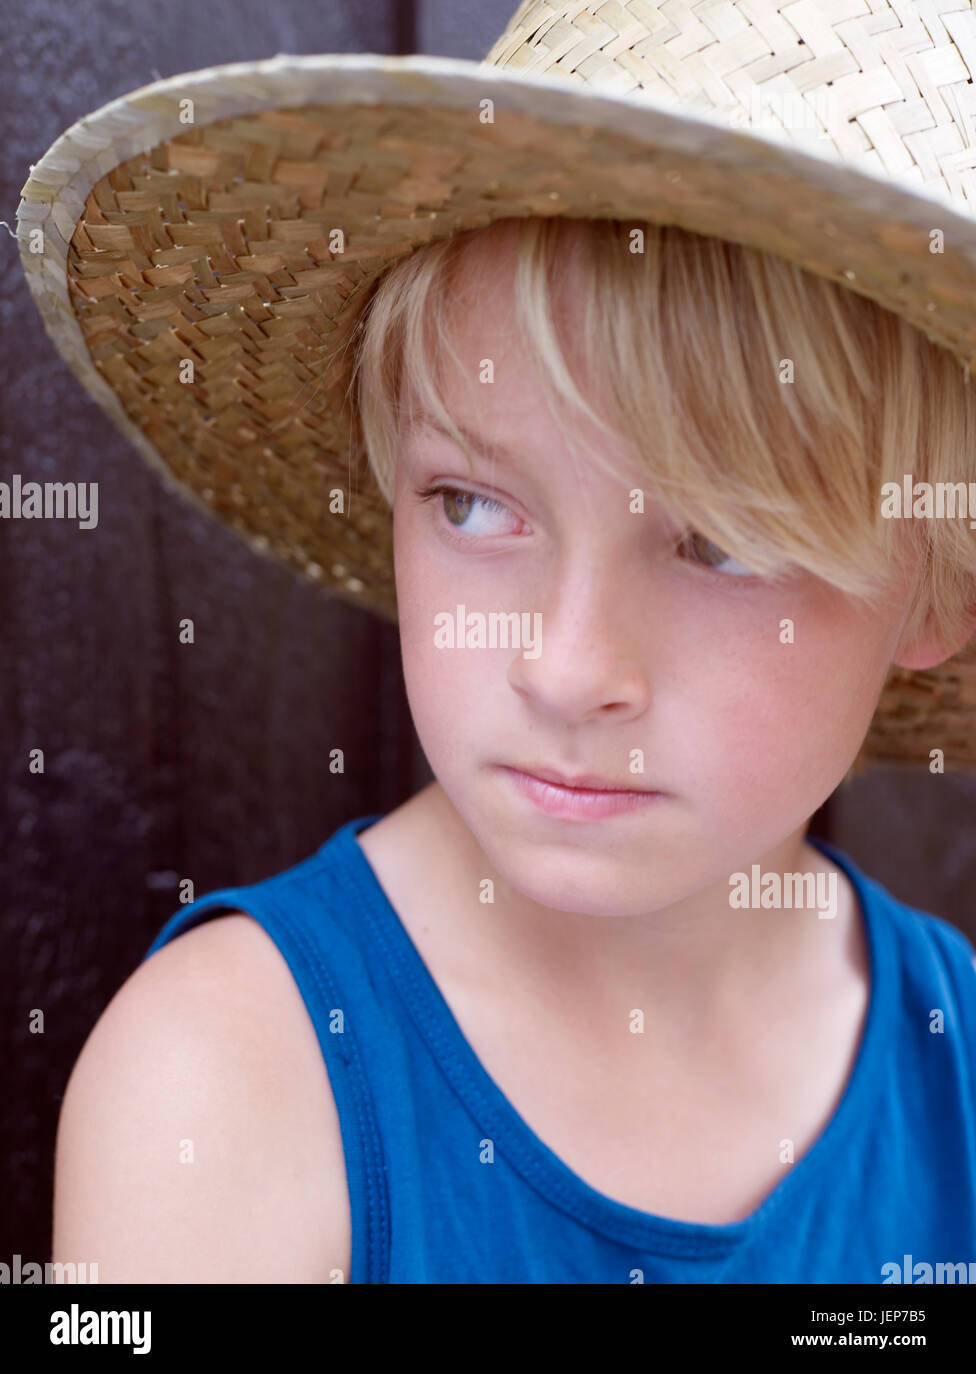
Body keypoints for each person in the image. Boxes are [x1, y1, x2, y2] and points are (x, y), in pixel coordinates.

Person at [50, 212, 976, 1283]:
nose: (565, 666)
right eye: (473, 504)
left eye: (723, 540)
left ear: (937, 583)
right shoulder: (226, 1080)